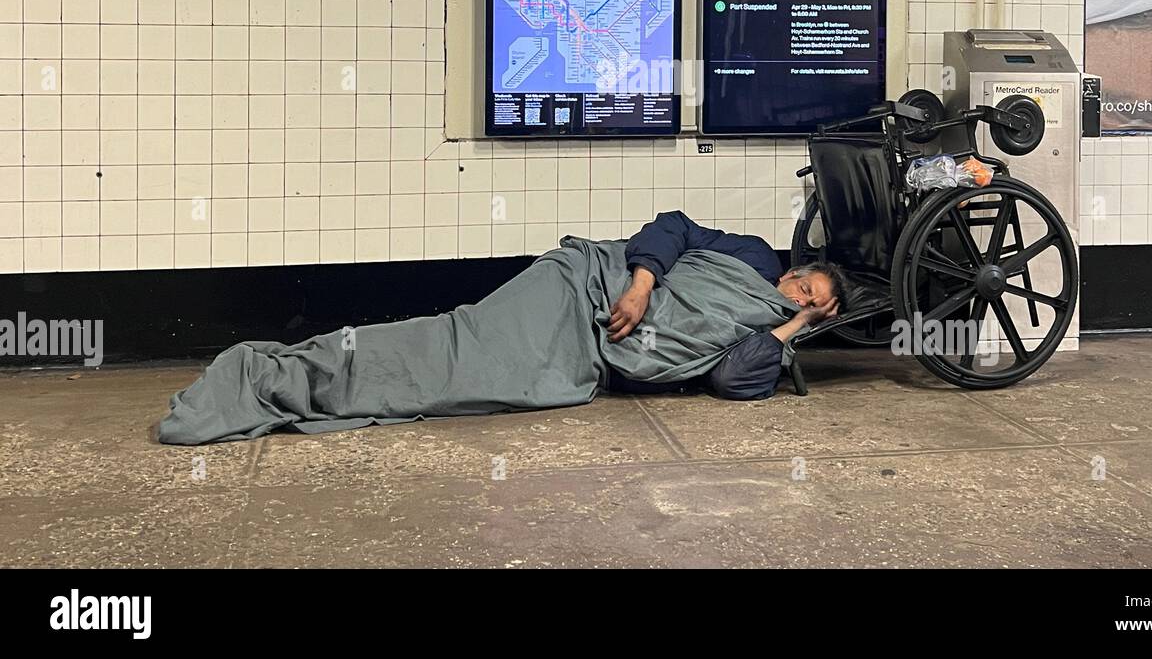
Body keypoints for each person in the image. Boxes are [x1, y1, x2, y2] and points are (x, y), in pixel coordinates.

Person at [157, 213, 848, 444]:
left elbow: (734, 378)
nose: (796, 294)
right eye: (803, 283)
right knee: (454, 347)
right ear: (795, 266)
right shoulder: (753, 254)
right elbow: (669, 226)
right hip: (578, 288)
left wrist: (791, 326)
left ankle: (301, 375)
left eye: (810, 303)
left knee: (454, 372)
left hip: (581, 361)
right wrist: (641, 282)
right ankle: (281, 376)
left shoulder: (761, 336)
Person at [608, 210, 847, 400]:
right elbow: (674, 225)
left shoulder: (769, 336)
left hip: (620, 346)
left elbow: (732, 378)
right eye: (804, 290)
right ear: (790, 274)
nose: (800, 302)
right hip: (612, 283)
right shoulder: (756, 258)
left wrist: (798, 321)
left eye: (811, 307)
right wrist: (640, 289)